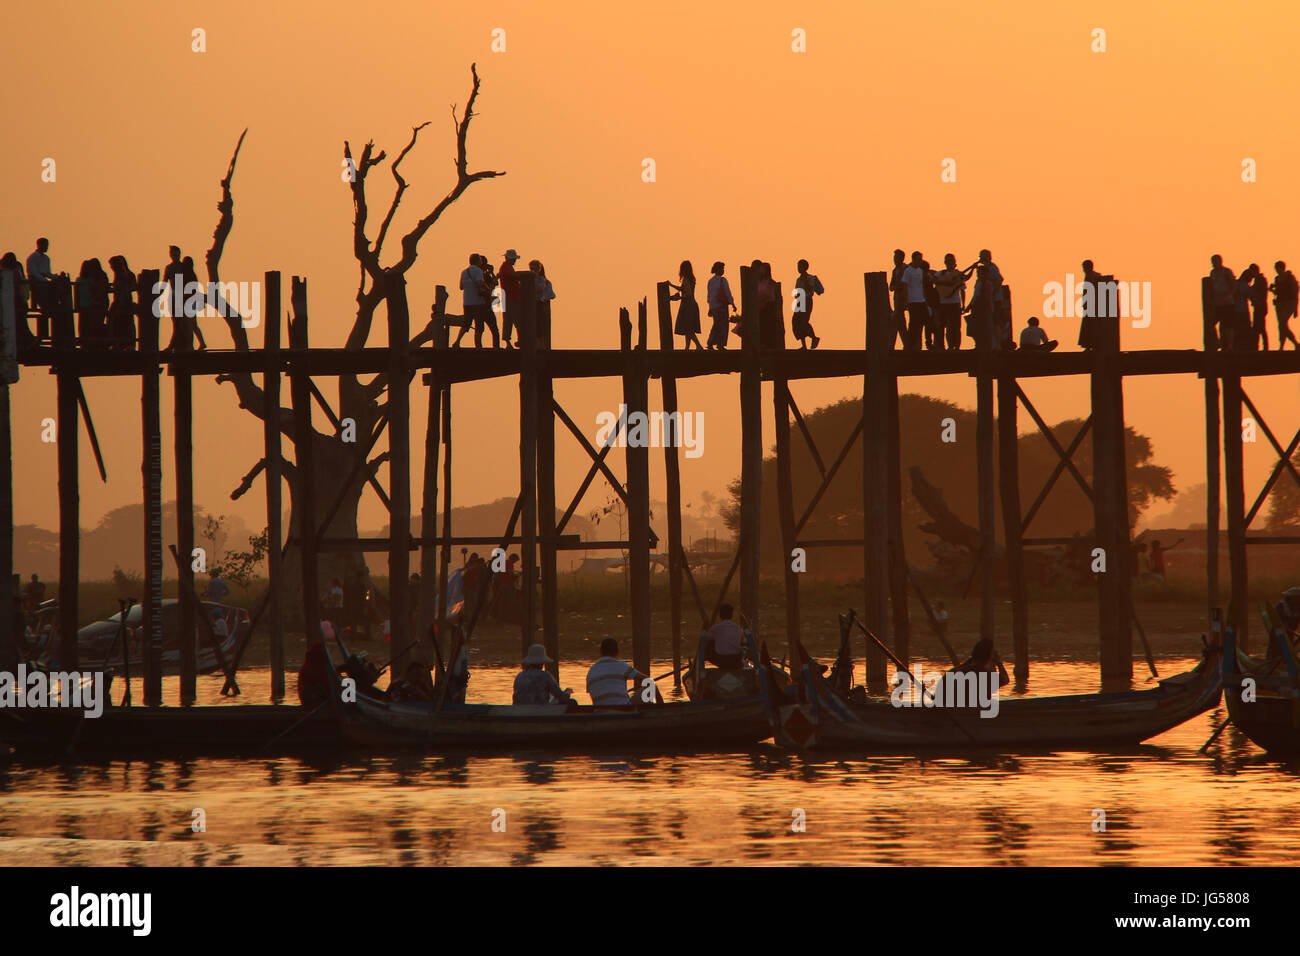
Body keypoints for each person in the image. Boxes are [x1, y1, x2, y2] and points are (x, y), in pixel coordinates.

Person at [586, 638, 647, 706]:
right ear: (617, 651)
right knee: (650, 685)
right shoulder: (622, 666)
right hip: (624, 709)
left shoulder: (591, 671)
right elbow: (647, 680)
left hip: (600, 711)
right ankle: (660, 706)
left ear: (600, 651)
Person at [454, 253, 492, 348]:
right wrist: (488, 289)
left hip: (467, 302)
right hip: (477, 302)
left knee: (466, 324)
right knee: (479, 325)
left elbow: (461, 287)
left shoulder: (464, 272)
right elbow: (480, 283)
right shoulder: (478, 271)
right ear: (477, 261)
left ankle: (457, 341)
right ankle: (478, 345)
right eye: (480, 261)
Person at [932, 253, 966, 349]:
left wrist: (963, 304)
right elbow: (932, 279)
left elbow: (962, 290)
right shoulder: (941, 273)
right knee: (944, 326)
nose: (949, 263)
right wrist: (945, 283)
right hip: (943, 304)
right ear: (945, 262)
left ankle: (957, 346)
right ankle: (945, 346)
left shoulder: (958, 275)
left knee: (956, 326)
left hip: (955, 303)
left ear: (955, 262)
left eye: (951, 261)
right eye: (947, 261)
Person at [669, 260, 704, 350]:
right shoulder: (691, 279)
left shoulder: (685, 279)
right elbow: (682, 289)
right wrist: (671, 285)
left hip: (688, 305)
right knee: (687, 327)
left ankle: (699, 346)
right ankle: (687, 347)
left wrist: (678, 298)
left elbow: (688, 294)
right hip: (691, 304)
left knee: (688, 329)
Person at [76, 258, 110, 344]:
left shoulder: (99, 276)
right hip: (93, 303)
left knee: (93, 323)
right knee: (90, 323)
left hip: (97, 303)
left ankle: (92, 341)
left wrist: (95, 299)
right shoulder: (92, 277)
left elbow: (101, 289)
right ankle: (91, 341)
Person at [26, 238, 54, 341]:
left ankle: (44, 334)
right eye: (45, 245)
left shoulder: (46, 258)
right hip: (37, 285)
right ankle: (42, 335)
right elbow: (33, 273)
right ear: (39, 245)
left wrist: (56, 277)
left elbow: (47, 273)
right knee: (45, 309)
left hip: (44, 284)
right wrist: (45, 281)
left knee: (47, 310)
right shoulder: (32, 258)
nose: (46, 247)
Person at [792, 259, 823, 349]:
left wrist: (805, 281)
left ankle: (814, 338)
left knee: (804, 322)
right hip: (799, 301)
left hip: (807, 301)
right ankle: (803, 345)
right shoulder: (798, 279)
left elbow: (810, 290)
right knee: (796, 322)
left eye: (800, 266)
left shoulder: (810, 278)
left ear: (805, 267)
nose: (798, 268)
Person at [107, 255, 136, 350]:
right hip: (122, 302)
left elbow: (127, 289)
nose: (111, 268)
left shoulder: (123, 275)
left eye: (112, 265)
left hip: (122, 303)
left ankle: (119, 344)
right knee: (124, 324)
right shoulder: (123, 274)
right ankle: (124, 344)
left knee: (120, 324)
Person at [1208, 255, 1237, 351]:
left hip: (1227, 303)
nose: (1213, 263)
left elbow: (1233, 285)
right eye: (1212, 261)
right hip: (1217, 304)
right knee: (1211, 322)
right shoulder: (1212, 273)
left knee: (1228, 326)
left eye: (1215, 261)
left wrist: (1229, 295)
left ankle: (1229, 346)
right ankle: (1217, 343)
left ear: (1220, 261)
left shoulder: (1226, 272)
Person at [902, 252, 929, 351]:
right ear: (913, 259)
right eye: (918, 259)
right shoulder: (908, 271)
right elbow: (905, 286)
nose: (919, 261)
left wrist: (925, 299)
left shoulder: (920, 271)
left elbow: (922, 286)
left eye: (921, 259)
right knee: (914, 323)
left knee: (924, 320)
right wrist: (906, 301)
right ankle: (910, 344)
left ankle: (918, 343)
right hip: (912, 301)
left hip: (921, 300)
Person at [704, 602, 745, 669]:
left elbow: (706, 639)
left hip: (721, 659)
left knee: (709, 643)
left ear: (720, 615)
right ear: (731, 615)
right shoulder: (738, 628)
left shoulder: (716, 628)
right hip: (736, 659)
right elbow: (742, 640)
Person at [705, 261, 736, 349]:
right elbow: (727, 293)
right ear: (719, 270)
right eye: (722, 268)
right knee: (723, 325)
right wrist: (733, 304)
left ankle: (711, 342)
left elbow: (709, 295)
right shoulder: (723, 280)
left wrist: (710, 307)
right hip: (722, 306)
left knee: (716, 325)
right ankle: (720, 344)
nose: (723, 270)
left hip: (713, 307)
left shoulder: (710, 281)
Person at [1270, 261, 1299, 350]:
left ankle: (1295, 343)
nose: (1276, 270)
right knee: (1281, 325)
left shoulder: (1290, 278)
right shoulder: (1277, 278)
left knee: (1282, 323)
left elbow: (1295, 292)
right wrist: (1272, 290)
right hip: (1279, 304)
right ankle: (1282, 345)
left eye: (1277, 268)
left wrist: (1295, 308)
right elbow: (1278, 292)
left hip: (1289, 303)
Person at [498, 249, 522, 348]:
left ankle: (509, 342)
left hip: (510, 297)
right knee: (516, 320)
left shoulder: (507, 267)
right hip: (511, 298)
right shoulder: (506, 268)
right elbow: (513, 276)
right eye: (513, 259)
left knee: (509, 320)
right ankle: (520, 340)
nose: (515, 261)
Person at [529, 259, 556, 344]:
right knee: (532, 324)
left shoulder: (542, 280)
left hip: (539, 303)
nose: (533, 271)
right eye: (531, 269)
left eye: (534, 269)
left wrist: (535, 278)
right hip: (531, 304)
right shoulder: (529, 279)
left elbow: (539, 289)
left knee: (539, 324)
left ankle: (541, 344)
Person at [888, 248, 908, 349]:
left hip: (904, 300)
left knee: (896, 322)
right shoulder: (895, 270)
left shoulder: (906, 269)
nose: (894, 259)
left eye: (896, 257)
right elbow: (891, 287)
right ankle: (906, 344)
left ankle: (891, 345)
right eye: (894, 257)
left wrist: (898, 286)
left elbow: (905, 284)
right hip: (897, 301)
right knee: (900, 323)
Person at [1247, 263, 1270, 351]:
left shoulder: (1260, 280)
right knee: (1258, 327)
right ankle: (1259, 346)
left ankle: (1261, 347)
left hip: (1260, 306)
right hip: (1260, 306)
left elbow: (1261, 292)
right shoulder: (1259, 280)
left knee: (1259, 327)